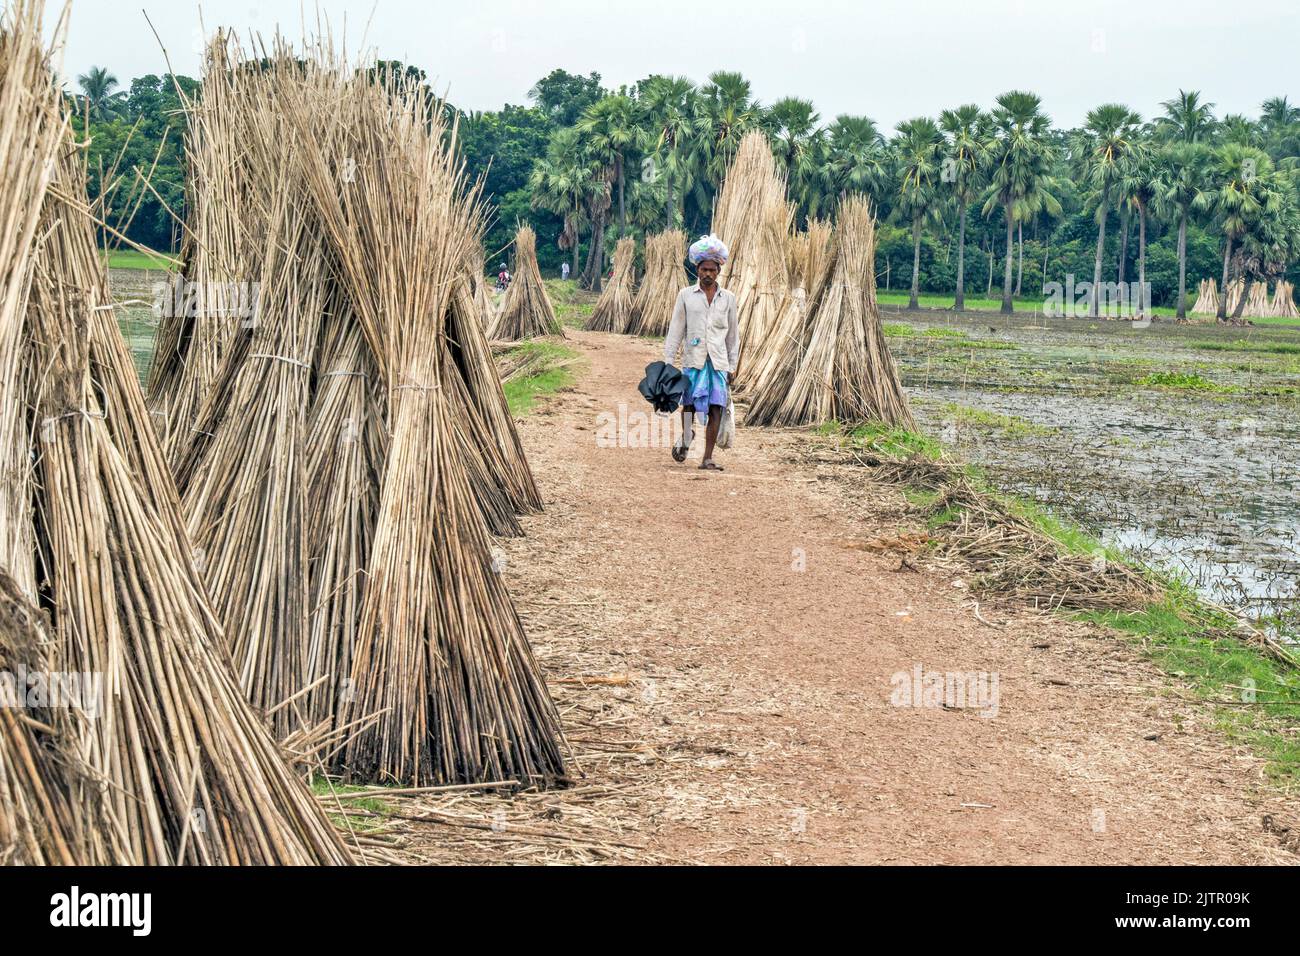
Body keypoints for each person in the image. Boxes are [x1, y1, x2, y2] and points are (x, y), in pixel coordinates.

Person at [663, 234, 737, 472]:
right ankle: (686, 437)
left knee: (716, 407)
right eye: (704, 269)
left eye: (712, 270)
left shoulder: (728, 299)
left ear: (718, 271)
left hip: (718, 363)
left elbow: (733, 336)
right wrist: (668, 362)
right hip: (693, 360)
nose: (708, 274)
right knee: (690, 406)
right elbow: (676, 330)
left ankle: (707, 457)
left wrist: (732, 366)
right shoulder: (685, 296)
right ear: (697, 269)